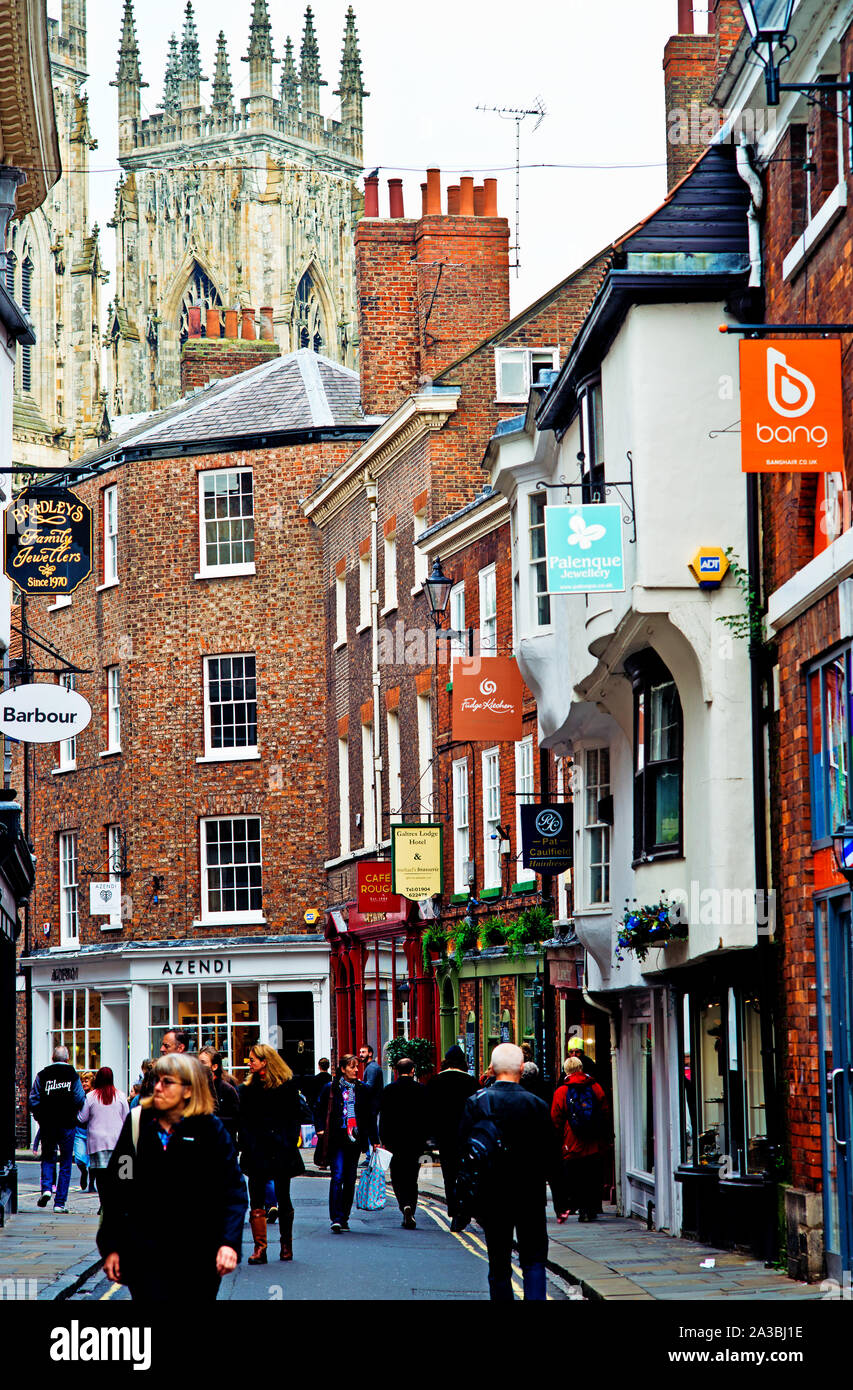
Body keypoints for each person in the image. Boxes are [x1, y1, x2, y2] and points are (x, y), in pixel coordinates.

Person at [97, 1053, 247, 1301]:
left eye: (167, 1082)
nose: (157, 1087)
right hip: (145, 1256)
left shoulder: (210, 1130)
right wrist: (112, 1247)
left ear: (188, 1090)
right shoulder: (137, 1124)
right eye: (156, 1080)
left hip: (198, 1257)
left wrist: (229, 1243)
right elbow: (117, 1191)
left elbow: (232, 1190)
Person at [458, 1042, 558, 1301]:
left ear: (491, 1068)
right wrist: (563, 1199)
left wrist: (464, 1200)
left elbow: (462, 1152)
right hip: (530, 1194)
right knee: (534, 1260)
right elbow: (552, 1155)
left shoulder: (475, 1103)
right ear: (522, 1068)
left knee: (499, 1264)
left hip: (491, 1195)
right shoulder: (537, 1105)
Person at [238, 1044, 303, 1264]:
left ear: (265, 1061)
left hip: (280, 1150)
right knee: (256, 1199)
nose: (249, 1063)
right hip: (256, 1151)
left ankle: (286, 1246)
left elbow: (295, 1118)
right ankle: (260, 1249)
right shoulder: (246, 1089)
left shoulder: (286, 1086)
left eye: (253, 1059)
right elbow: (243, 1121)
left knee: (283, 1197)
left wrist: (288, 1142)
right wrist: (246, 1143)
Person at [314, 1054, 376, 1233]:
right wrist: (320, 1129)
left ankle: (345, 1217)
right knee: (338, 1176)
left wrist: (376, 1141)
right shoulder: (331, 1088)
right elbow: (318, 1109)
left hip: (354, 1141)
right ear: (342, 1069)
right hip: (336, 1138)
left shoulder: (363, 1089)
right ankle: (336, 1218)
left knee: (349, 1180)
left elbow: (370, 1117)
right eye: (352, 1067)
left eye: (357, 1067)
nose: (356, 1070)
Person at [551, 1054, 609, 1223]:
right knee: (592, 1174)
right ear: (581, 1069)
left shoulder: (562, 1091)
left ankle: (580, 1208)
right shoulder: (595, 1087)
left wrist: (560, 1138)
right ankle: (591, 1208)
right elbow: (605, 1111)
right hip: (593, 1140)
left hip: (572, 1140)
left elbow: (556, 1117)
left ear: (566, 1071)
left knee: (575, 1176)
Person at [28, 1045, 86, 1213]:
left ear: (52, 1058)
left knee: (48, 1156)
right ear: (67, 1059)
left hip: (48, 1124)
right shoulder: (73, 1075)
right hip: (67, 1124)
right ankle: (60, 1203)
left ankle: (46, 1188)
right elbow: (80, 1098)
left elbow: (33, 1100)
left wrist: (40, 1117)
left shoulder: (42, 1075)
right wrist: (72, 1112)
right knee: (66, 1162)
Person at [425, 1045, 477, 1219]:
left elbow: (429, 1112)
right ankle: (464, 1208)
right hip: (466, 1136)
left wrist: (431, 1136)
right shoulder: (471, 1082)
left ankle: (453, 1208)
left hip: (445, 1136)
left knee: (449, 1174)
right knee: (465, 1173)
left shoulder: (435, 1082)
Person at [378, 1058, 429, 1229]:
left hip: (395, 1142)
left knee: (397, 1176)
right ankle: (411, 1209)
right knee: (412, 1177)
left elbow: (383, 1118)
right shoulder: (422, 1090)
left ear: (396, 1071)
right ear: (413, 1070)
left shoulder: (389, 1090)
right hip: (416, 1142)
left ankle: (404, 1206)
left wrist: (383, 1140)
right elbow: (427, 1117)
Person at [77, 1067, 130, 1210]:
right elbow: (127, 1119)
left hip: (97, 1141)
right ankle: (113, 1203)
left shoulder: (90, 1097)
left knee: (100, 1177)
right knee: (115, 1176)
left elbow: (82, 1118)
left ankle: (103, 1204)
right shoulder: (121, 1096)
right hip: (117, 1141)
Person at [198, 1048, 239, 1143]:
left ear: (214, 1066)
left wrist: (210, 1119)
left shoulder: (227, 1089)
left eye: (203, 1063)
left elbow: (235, 1119)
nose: (199, 1066)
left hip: (222, 1142)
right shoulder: (194, 1088)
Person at [359, 1044, 384, 1152]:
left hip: (372, 1104)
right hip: (372, 1104)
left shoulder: (372, 1068)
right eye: (360, 1052)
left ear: (370, 1053)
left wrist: (359, 1083)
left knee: (372, 1130)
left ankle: (371, 1157)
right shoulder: (370, 1067)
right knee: (371, 1129)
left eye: (363, 1052)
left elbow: (369, 1086)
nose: (361, 1055)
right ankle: (371, 1156)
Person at [74, 1072, 95, 1191]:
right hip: (80, 1129)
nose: (84, 1083)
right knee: (79, 1158)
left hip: (93, 1130)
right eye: (82, 1081)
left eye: (86, 1081)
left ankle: (92, 1183)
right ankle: (83, 1172)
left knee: (93, 1161)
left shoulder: (95, 1095)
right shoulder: (80, 1095)